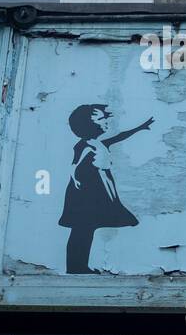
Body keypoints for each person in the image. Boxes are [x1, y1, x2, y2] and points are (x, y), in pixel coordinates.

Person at [58, 104, 153, 274]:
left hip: (94, 192)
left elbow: (120, 136)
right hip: (84, 195)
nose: (107, 121)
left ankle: (78, 266)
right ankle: (76, 267)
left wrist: (141, 127)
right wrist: (76, 179)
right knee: (82, 230)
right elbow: (75, 165)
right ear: (88, 125)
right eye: (101, 119)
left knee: (85, 230)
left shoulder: (99, 143)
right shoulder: (86, 146)